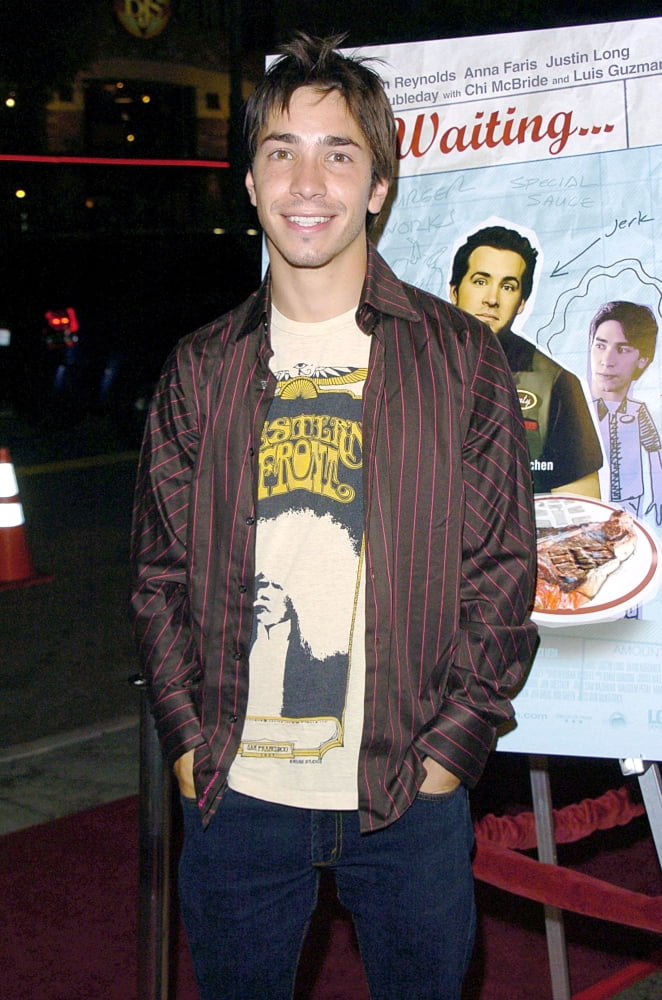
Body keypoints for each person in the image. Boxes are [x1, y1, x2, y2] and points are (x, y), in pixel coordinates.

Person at [130, 33, 538, 1000]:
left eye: (339, 153)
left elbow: (500, 568)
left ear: (380, 185)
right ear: (250, 180)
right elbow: (157, 575)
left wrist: (451, 751)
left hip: (405, 793)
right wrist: (187, 739)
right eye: (282, 151)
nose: (307, 182)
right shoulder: (200, 367)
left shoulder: (458, 358)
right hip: (238, 793)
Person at [450, 225, 603, 496]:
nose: (492, 299)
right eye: (480, 281)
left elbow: (580, 510)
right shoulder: (413, 369)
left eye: (508, 286)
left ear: (521, 302)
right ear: (454, 292)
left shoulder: (556, 384)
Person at [589, 300, 662, 523]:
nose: (607, 361)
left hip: (630, 501)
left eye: (622, 349)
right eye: (600, 346)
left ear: (643, 360)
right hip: (588, 500)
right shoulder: (578, 408)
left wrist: (659, 497)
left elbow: (654, 451)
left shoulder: (638, 411)